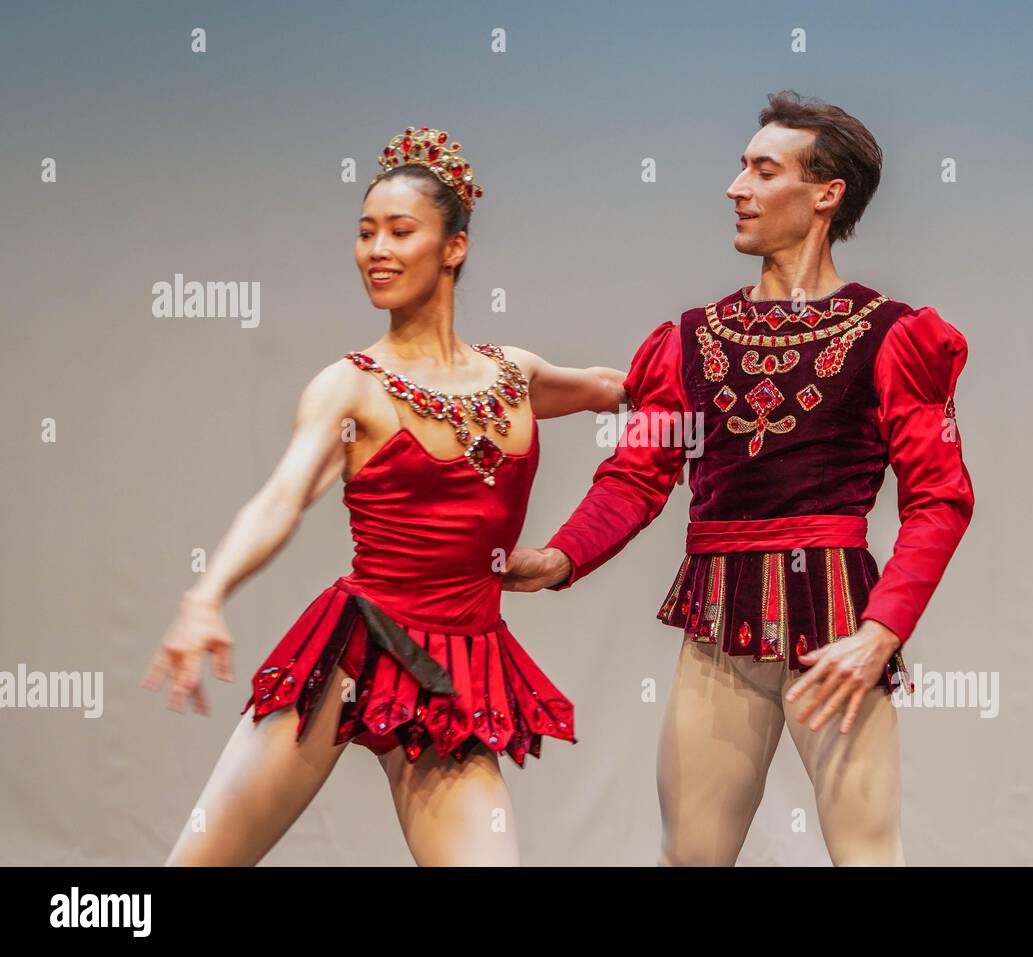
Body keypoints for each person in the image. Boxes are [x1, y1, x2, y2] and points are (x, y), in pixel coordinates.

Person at [504, 92, 975, 866]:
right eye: (741, 166)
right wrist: (561, 557)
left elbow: (940, 499)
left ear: (827, 194)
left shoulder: (893, 335)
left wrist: (881, 632)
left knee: (868, 858)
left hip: (836, 630)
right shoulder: (690, 339)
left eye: (762, 169)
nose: (735, 186)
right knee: (690, 858)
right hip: (720, 627)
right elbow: (636, 474)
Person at [142, 126, 626, 866]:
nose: (378, 250)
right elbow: (282, 498)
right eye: (366, 233)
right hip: (354, 645)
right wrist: (206, 594)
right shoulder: (351, 387)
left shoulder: (514, 373)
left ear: (454, 248)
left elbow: (613, 387)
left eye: (402, 231)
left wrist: (719, 374)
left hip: (452, 670)